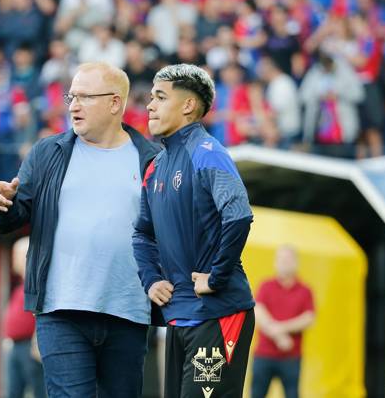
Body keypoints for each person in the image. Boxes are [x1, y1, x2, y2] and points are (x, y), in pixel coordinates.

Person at [0, 62, 160, 397]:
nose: (73, 106)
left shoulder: (153, 159)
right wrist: (1, 203)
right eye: (71, 96)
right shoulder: (47, 152)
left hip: (129, 310)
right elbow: (13, 218)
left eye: (85, 97)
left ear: (114, 103)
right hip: (61, 309)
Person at [133, 64, 256, 398]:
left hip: (218, 314)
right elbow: (142, 234)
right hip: (178, 316)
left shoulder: (209, 154)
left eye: (160, 97)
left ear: (188, 106)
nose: (150, 106)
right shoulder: (155, 166)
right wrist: (151, 279)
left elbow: (239, 216)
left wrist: (216, 277)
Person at [251, 246, 315, 398]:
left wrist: (279, 328)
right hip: (264, 355)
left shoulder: (305, 291)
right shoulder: (266, 286)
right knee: (257, 394)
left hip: (291, 357)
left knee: (292, 394)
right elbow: (258, 312)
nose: (284, 263)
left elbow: (308, 318)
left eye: (288, 259)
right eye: (281, 259)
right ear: (275, 262)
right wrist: (280, 336)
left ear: (296, 263)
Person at [4, 237, 45, 398]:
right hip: (16, 346)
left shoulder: (37, 282)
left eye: (17, 254)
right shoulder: (21, 285)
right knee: (14, 391)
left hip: (30, 346)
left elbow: (42, 312)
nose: (13, 258)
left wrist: (37, 342)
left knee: (38, 390)